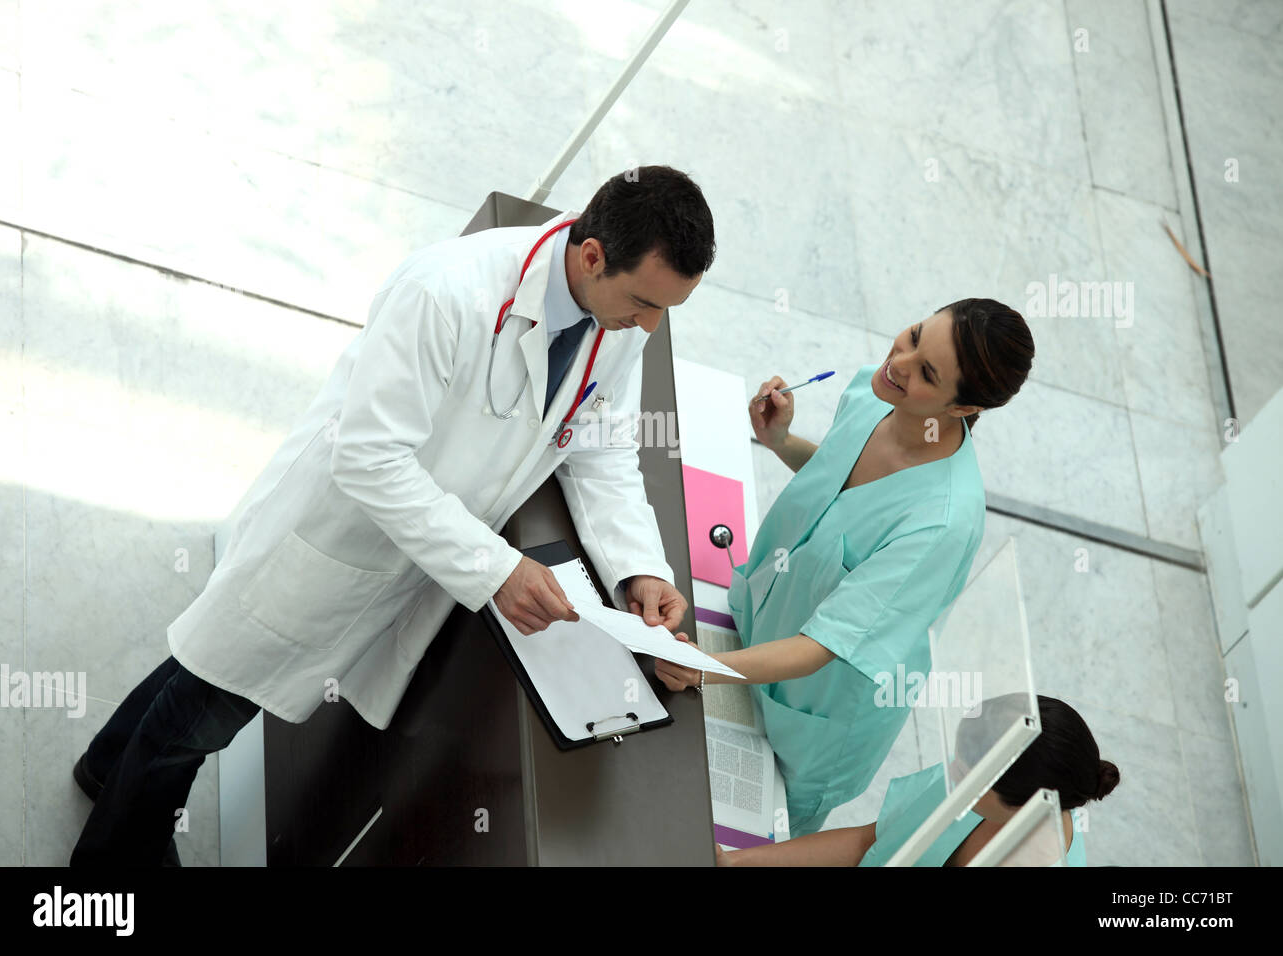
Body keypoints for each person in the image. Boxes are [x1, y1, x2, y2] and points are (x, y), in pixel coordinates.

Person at [70, 165, 716, 865]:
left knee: (213, 670)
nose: (649, 326)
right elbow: (370, 459)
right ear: (592, 256)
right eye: (645, 303)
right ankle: (115, 858)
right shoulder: (445, 292)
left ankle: (109, 767)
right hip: (331, 538)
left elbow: (600, 447)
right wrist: (496, 568)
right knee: (210, 710)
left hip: (412, 548)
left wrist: (640, 569)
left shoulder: (615, 319)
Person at [655, 300, 1035, 837]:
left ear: (961, 409)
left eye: (927, 372)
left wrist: (710, 670)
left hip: (810, 717)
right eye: (913, 335)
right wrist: (781, 441)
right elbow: (838, 486)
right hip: (755, 634)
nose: (898, 363)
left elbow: (822, 647)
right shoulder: (871, 390)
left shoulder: (941, 524)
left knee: (741, 841)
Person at [715, 695, 1120, 866]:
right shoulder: (980, 775)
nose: (954, 774)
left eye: (968, 773)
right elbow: (868, 844)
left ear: (1024, 807)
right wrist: (736, 861)